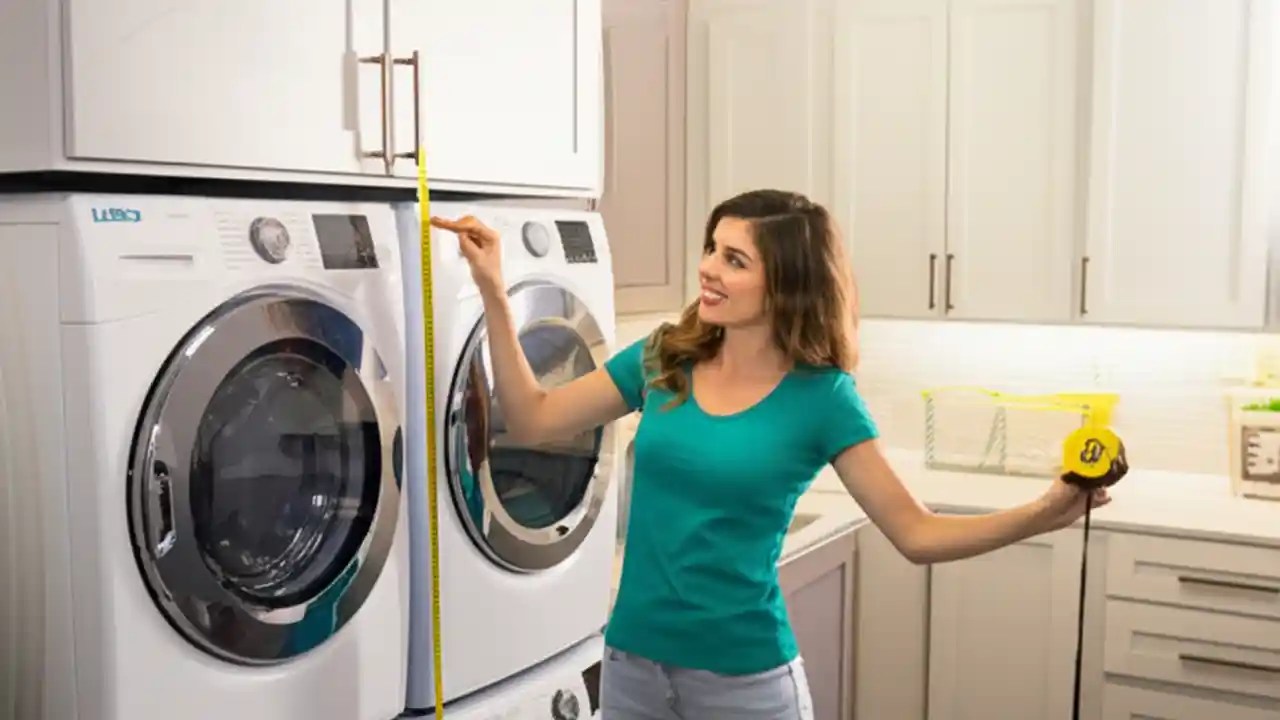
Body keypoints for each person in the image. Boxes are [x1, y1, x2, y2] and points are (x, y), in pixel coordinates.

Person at [429, 189, 1111, 720]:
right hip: (632, 667)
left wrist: (1046, 511)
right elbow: (535, 418)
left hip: (745, 686)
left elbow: (916, 534)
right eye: (712, 248)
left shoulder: (823, 398)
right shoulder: (666, 357)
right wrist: (493, 289)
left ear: (786, 283)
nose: (708, 268)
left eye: (735, 260)